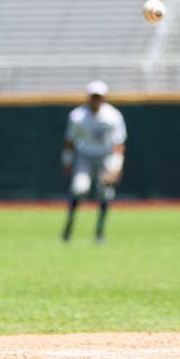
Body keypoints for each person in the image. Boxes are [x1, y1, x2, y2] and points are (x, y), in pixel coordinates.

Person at [61, 80, 126, 243]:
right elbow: (69, 141)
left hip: (105, 155)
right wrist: (67, 162)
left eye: (99, 97)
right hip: (85, 156)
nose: (96, 100)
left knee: (105, 193)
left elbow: (118, 144)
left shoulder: (113, 116)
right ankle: (68, 228)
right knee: (79, 188)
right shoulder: (77, 116)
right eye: (93, 97)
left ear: (104, 98)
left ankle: (99, 232)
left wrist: (115, 168)